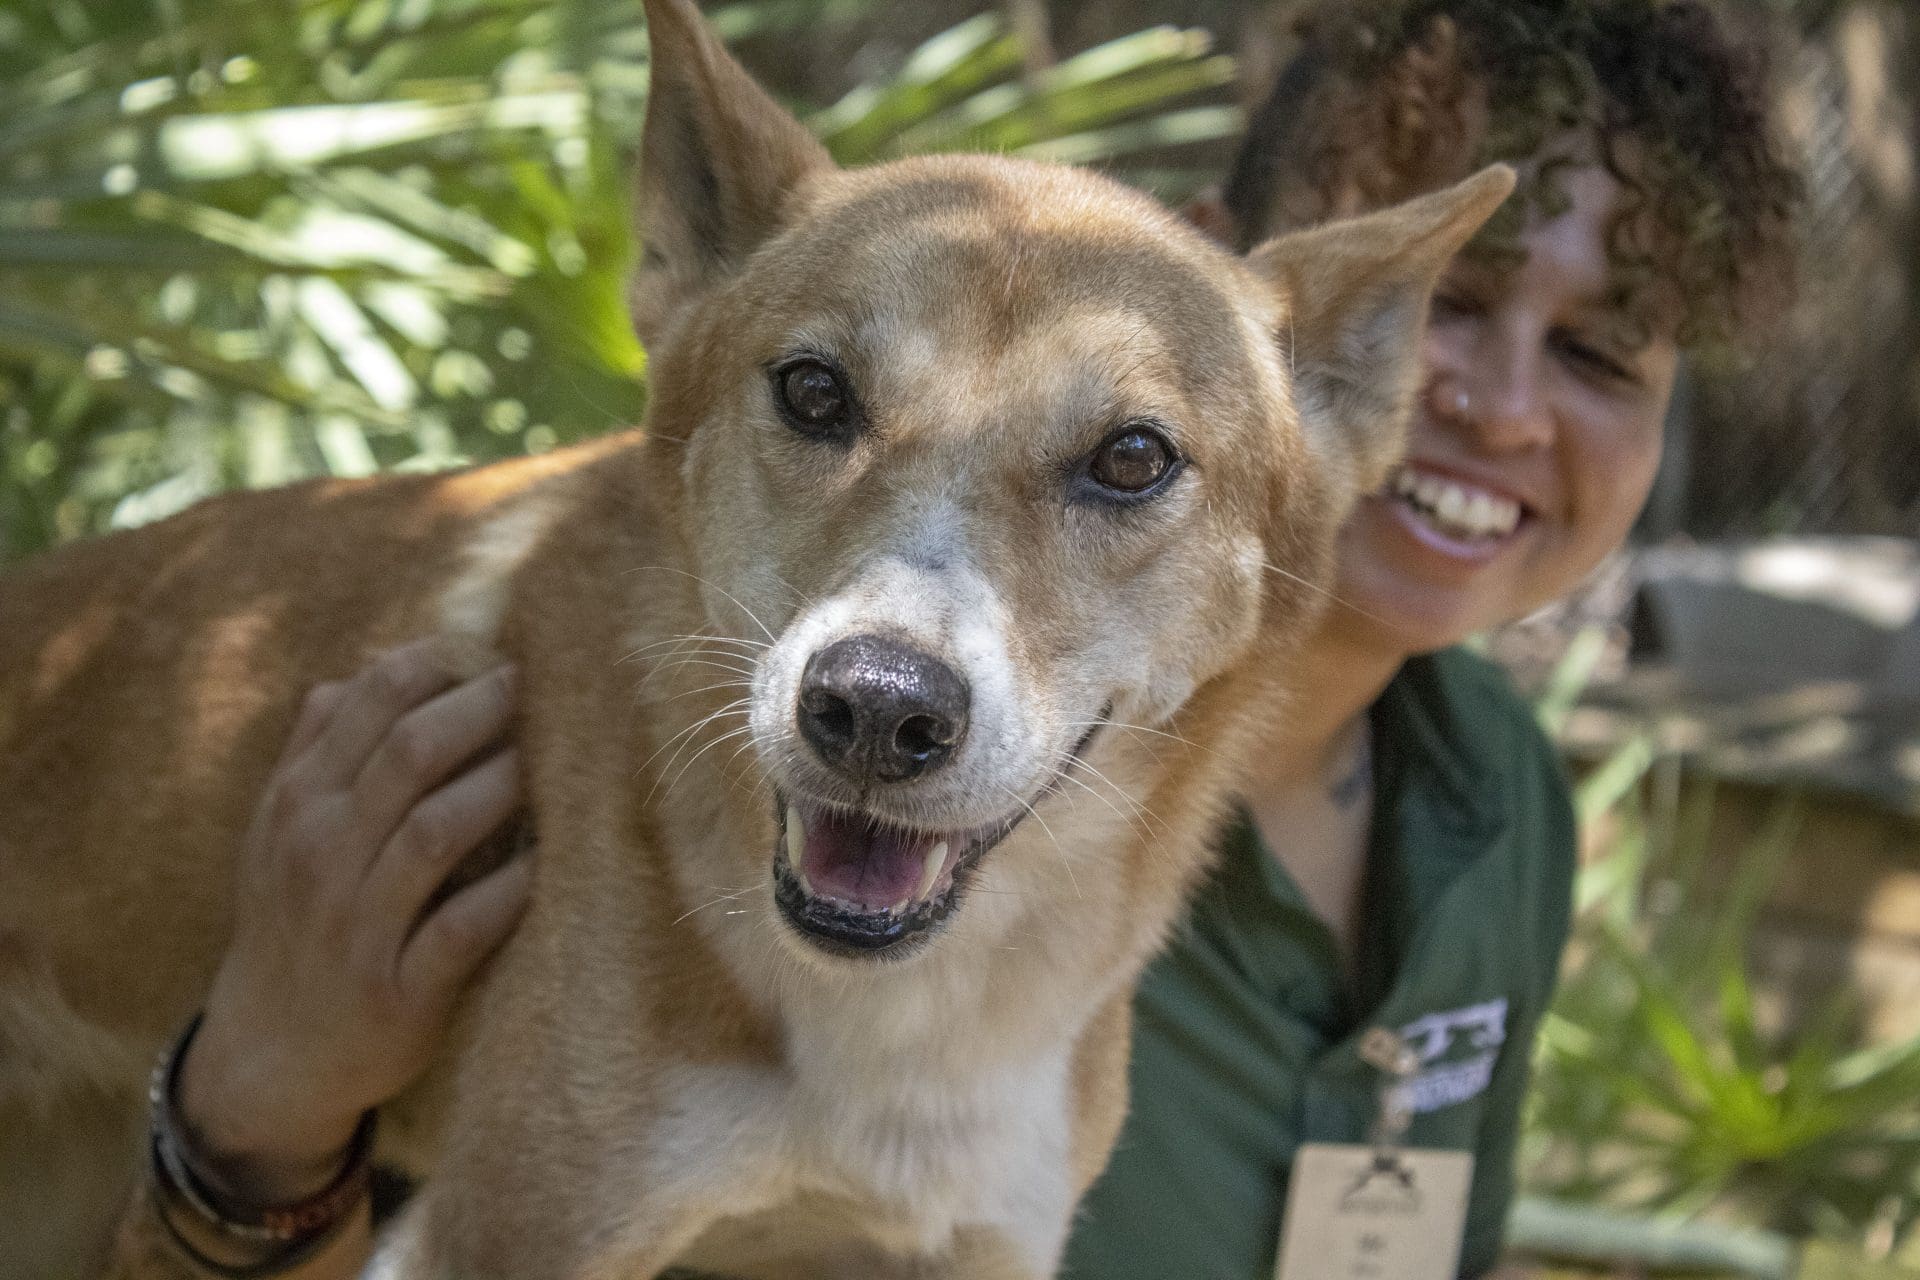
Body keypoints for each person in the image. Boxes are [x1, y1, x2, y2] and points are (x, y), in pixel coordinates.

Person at [109, 1, 1801, 1275]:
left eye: (1600, 356)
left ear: (1332, 361)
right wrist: (252, 1117)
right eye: (1460, 305)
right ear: (1197, 258)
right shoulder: (667, 753)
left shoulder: (1494, 803)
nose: (1483, 401)